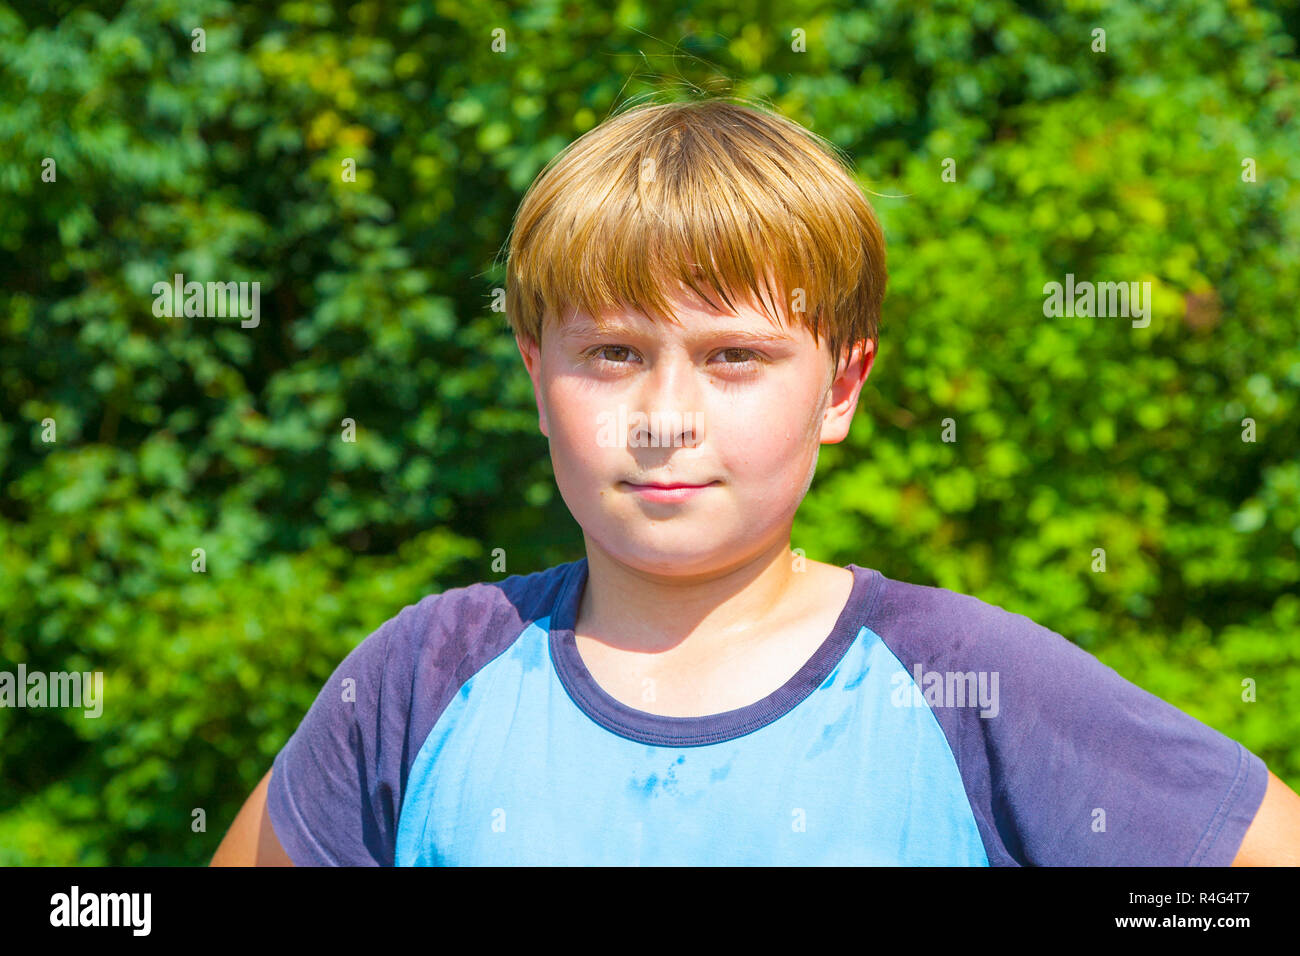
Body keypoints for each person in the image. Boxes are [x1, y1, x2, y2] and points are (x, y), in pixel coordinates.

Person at [212, 97, 1300, 866]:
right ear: (535, 376)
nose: (666, 415)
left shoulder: (971, 683)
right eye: (612, 354)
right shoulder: (419, 678)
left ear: (841, 385)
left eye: (733, 356)